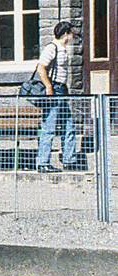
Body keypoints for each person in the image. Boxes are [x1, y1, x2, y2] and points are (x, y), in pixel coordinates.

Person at [35, 21, 83, 173]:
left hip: (62, 90)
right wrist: (48, 86)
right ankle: (43, 162)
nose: (72, 37)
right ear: (65, 34)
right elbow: (41, 67)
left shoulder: (62, 49)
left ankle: (69, 159)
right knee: (49, 126)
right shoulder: (52, 48)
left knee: (69, 125)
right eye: (70, 34)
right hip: (54, 90)